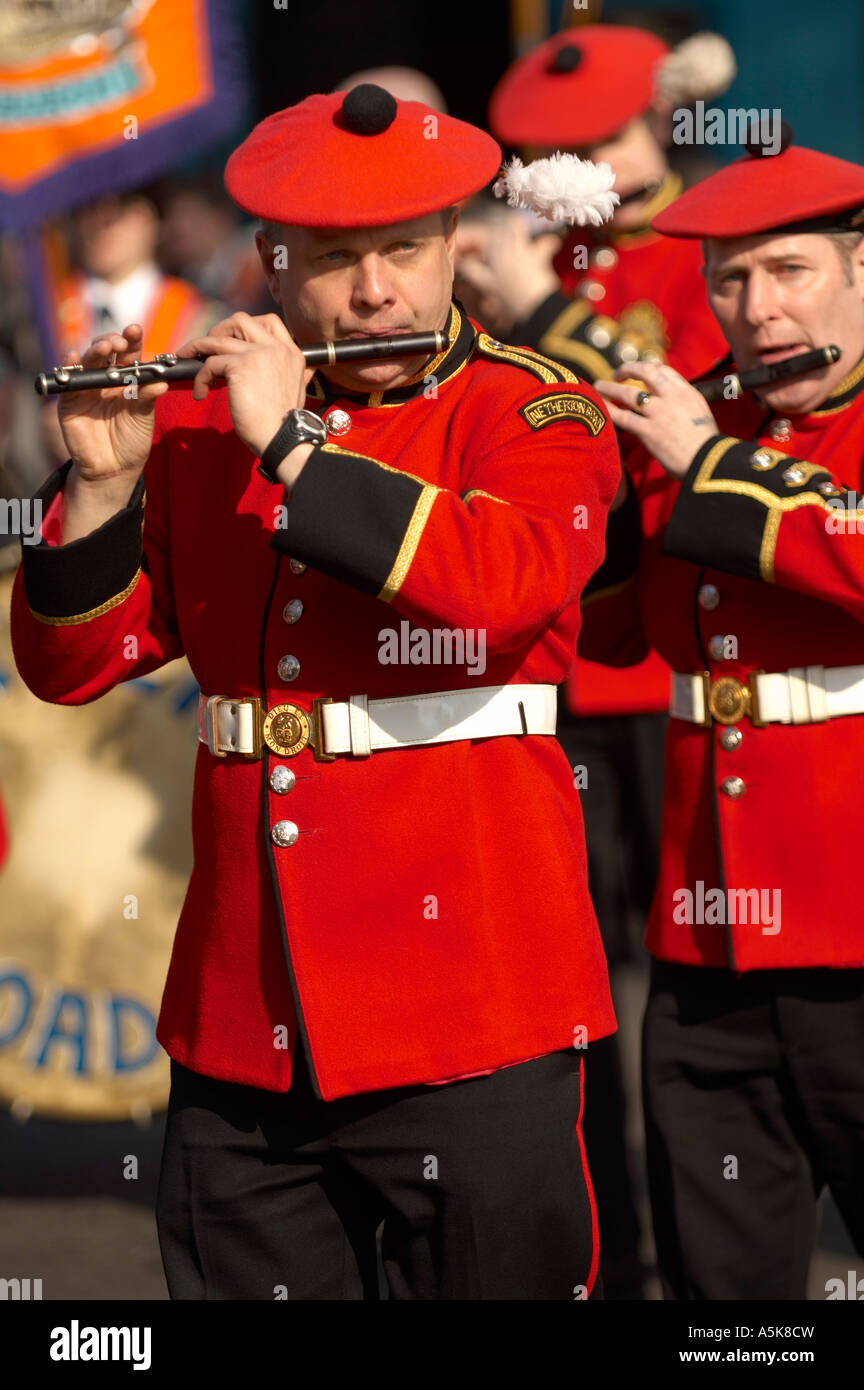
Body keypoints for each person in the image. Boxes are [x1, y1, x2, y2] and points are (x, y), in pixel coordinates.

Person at [11, 85, 622, 1300]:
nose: (376, 294)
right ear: (271, 266)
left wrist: (295, 447)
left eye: (405, 252)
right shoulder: (195, 429)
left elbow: (497, 586)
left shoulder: (535, 409)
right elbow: (71, 666)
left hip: (474, 1015)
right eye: (336, 262)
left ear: (454, 244)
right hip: (249, 1015)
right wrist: (93, 486)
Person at [582, 131, 864, 1299]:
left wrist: (699, 471)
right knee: (723, 1301)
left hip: (856, 935)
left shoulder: (710, 452)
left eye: (790, 271)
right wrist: (591, 475)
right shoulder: (702, 431)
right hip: (708, 951)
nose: (756, 308)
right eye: (731, 280)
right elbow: (606, 639)